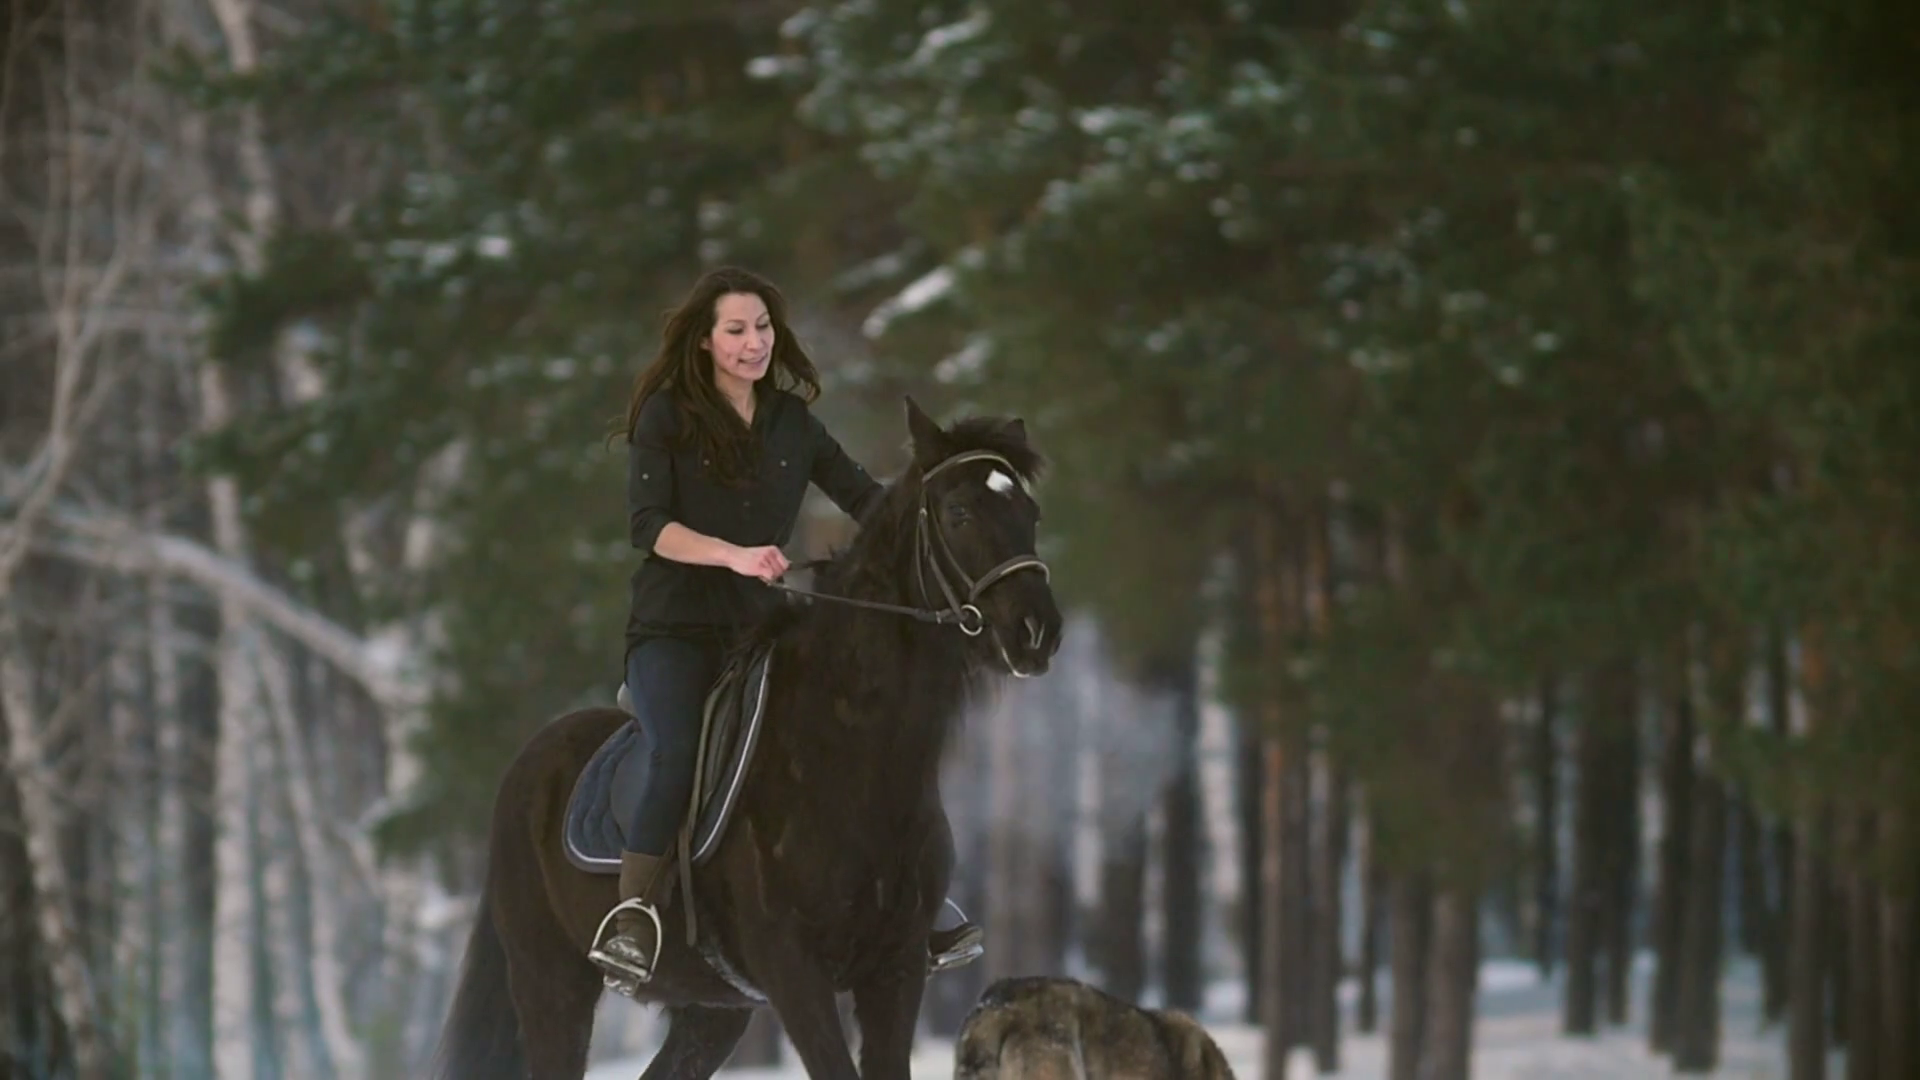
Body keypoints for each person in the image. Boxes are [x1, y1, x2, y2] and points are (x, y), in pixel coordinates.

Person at [589, 266, 984, 989]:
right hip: (673, 630)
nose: (753, 343)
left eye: (763, 327)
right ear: (705, 342)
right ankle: (635, 913)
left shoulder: (792, 423)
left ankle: (918, 899)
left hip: (764, 627)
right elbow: (649, 528)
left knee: (867, 725)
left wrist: (946, 516)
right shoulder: (667, 416)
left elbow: (868, 499)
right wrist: (734, 555)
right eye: (735, 330)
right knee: (676, 751)